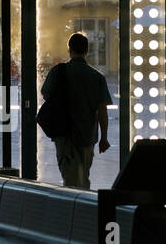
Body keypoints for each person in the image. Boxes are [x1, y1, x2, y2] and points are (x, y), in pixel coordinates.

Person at [40, 32, 112, 189]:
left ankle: (75, 207)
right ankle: (84, 203)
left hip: (64, 133)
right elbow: (102, 111)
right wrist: (104, 137)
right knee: (83, 174)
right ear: (87, 51)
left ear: (69, 49)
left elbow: (46, 95)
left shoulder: (58, 72)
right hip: (87, 135)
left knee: (69, 176)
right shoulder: (97, 77)